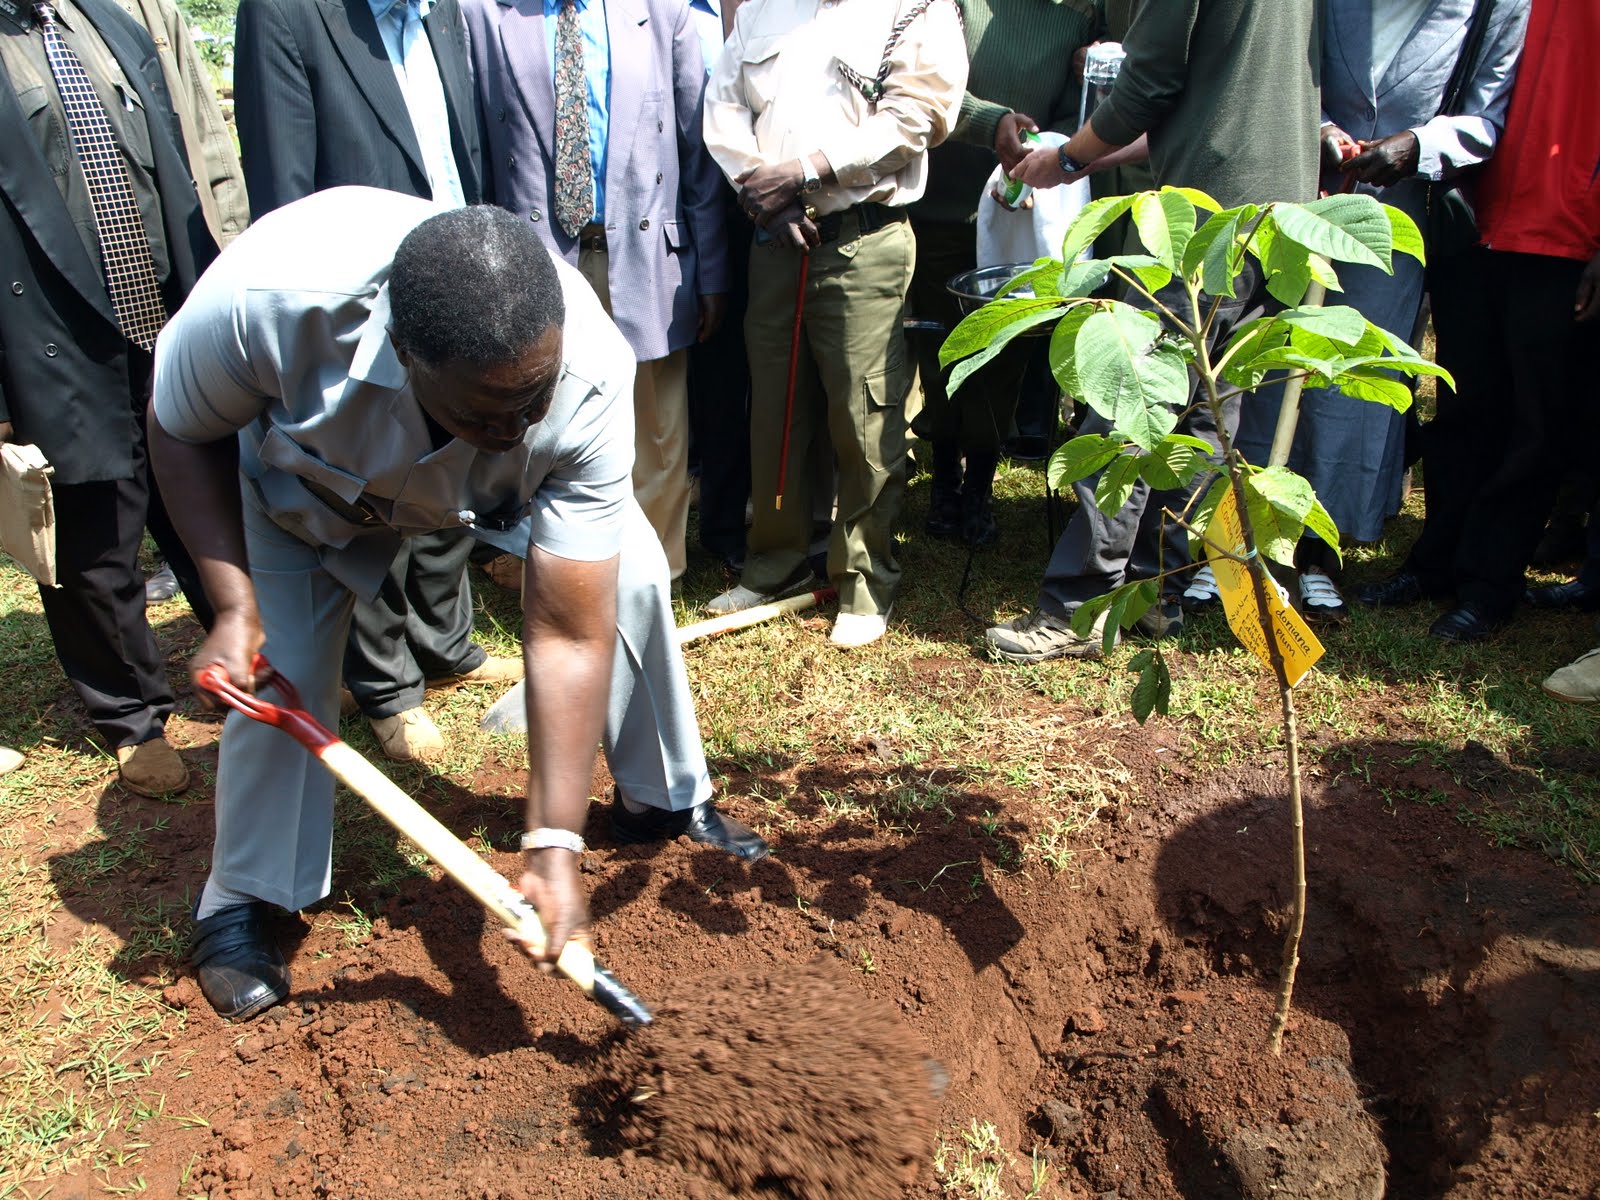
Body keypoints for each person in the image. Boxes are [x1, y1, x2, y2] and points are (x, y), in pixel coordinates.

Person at [149, 191, 769, 1022]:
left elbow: (567, 633)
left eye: (533, 397)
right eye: (489, 408)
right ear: (405, 351)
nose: (518, 422)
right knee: (280, 671)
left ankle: (664, 791)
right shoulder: (266, 302)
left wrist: (552, 842)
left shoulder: (586, 372)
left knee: (633, 580)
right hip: (315, 490)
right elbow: (179, 428)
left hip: (503, 496)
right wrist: (233, 605)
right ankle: (246, 898)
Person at [984, 0, 1320, 663]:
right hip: (1280, 208)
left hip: (1210, 212)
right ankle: (1151, 593)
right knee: (1204, 407)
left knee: (1130, 398)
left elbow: (1151, 84)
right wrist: (1085, 155)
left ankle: (1077, 608)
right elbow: (1204, 95)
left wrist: (1070, 158)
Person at [233, 0, 522, 763]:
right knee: (372, 499)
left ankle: (445, 643)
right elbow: (283, 184)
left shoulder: (445, 14)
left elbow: (465, 155)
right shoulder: (288, 15)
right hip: (362, 301)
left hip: (462, 283)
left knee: (446, 476)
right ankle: (387, 687)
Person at [1233, 0, 1528, 623]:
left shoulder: (1495, 7)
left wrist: (1418, 144)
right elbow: (1283, 64)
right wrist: (1315, 128)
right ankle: (1241, 538)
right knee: (1268, 361)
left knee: (1354, 380)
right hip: (1296, 190)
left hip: (1395, 218)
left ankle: (1322, 552)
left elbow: (1486, 116)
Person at [701, 0, 969, 648]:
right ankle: (775, 562)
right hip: (775, 240)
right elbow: (724, 105)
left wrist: (805, 170)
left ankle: (863, 580)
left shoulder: (917, 10)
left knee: (864, 414)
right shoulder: (765, 8)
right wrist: (763, 192)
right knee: (775, 413)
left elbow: (919, 117)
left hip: (861, 239)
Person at [1, 0, 219, 795]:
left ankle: (242, 649)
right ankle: (132, 716)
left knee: (204, 496)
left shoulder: (108, 20)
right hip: (52, 331)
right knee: (96, 531)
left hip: (168, 313)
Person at [1356, 0, 1600, 641]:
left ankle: (1489, 583)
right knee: (1462, 402)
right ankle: (1436, 561)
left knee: (1532, 423)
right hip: (1474, 214)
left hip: (1564, 232)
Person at [463, 0, 730, 587]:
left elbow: (697, 154)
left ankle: (657, 571)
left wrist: (711, 270)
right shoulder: (484, 14)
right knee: (541, 417)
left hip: (647, 253)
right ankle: (560, 567)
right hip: (536, 258)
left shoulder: (664, 13)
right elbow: (477, 148)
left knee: (656, 423)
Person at [907, 0, 1099, 547]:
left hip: (1019, 215)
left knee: (1002, 355)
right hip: (940, 207)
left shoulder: (1074, 17)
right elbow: (925, 87)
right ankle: (945, 476)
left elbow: (1075, 120)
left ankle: (980, 487)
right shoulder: (953, 7)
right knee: (942, 350)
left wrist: (1039, 162)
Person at [114, 0, 250, 607]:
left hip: (177, 275)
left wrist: (235, 256)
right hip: (67, 316)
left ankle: (237, 609)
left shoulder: (143, 11)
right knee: (110, 486)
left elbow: (208, 142)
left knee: (211, 435)